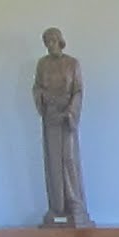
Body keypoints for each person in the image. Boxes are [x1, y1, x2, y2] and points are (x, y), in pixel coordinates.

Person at [33, 26, 92, 226]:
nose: (49, 45)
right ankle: (57, 206)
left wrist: (70, 112)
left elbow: (78, 90)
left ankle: (74, 203)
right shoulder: (42, 64)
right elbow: (37, 88)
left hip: (67, 118)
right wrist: (44, 98)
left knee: (68, 159)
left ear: (60, 41)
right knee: (53, 161)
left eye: (52, 41)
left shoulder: (72, 64)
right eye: (46, 42)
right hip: (50, 117)